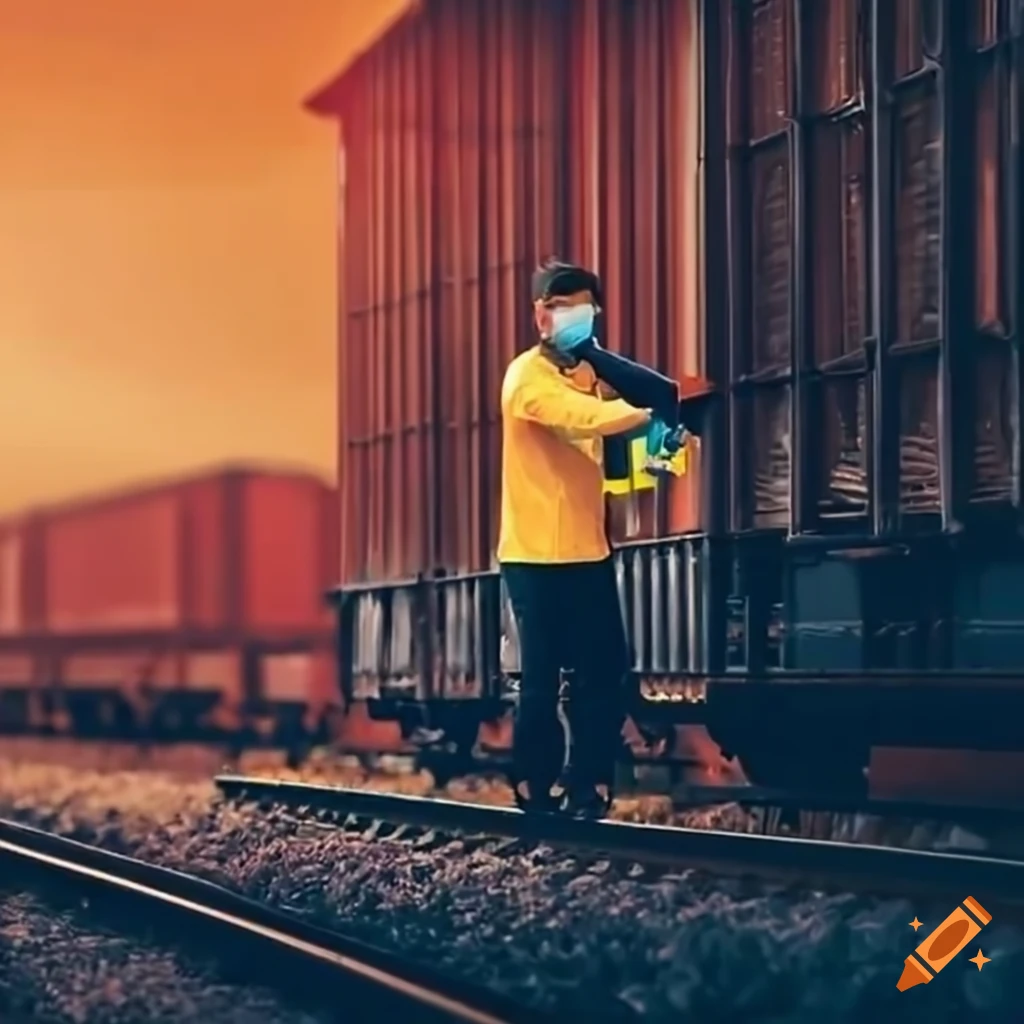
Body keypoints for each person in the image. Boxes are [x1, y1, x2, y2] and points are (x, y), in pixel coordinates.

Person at [497, 258, 678, 818]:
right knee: (543, 677)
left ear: (594, 310)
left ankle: (589, 785)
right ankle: (535, 784)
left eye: (576, 303)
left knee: (603, 675)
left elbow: (625, 447)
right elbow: (580, 418)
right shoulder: (526, 377)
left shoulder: (591, 376)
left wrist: (663, 445)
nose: (565, 313)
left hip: (589, 552)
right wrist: (648, 411)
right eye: (555, 305)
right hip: (534, 557)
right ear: (538, 316)